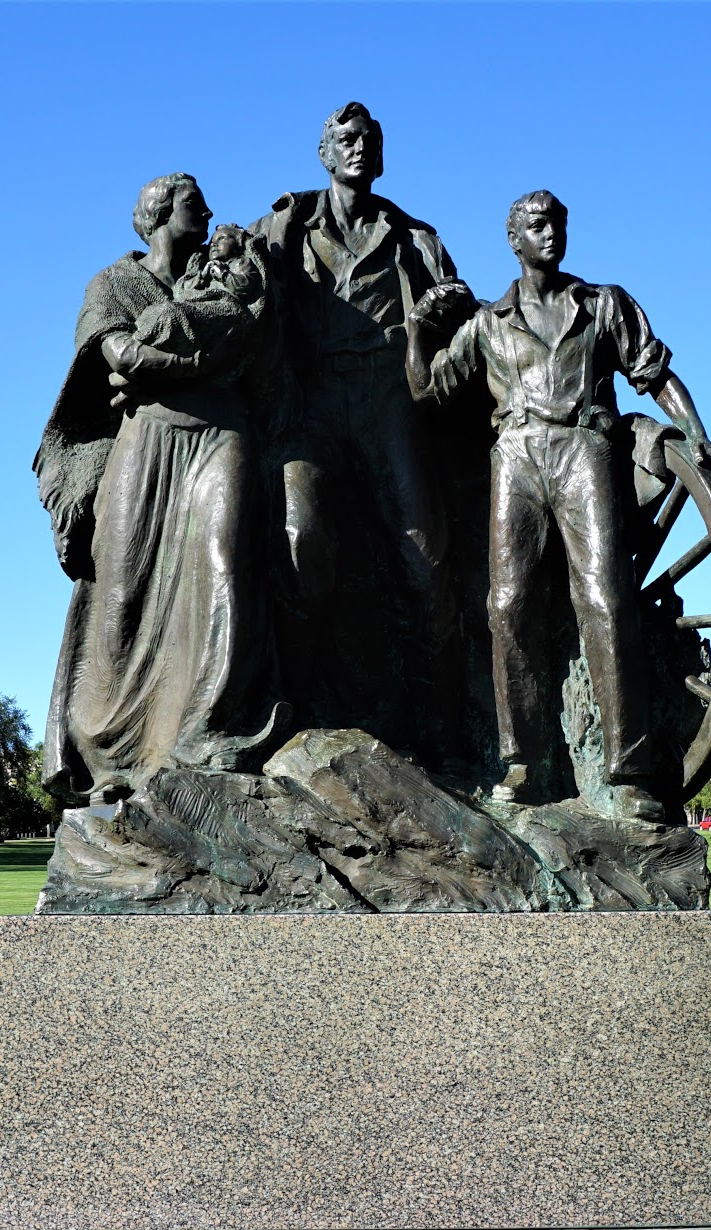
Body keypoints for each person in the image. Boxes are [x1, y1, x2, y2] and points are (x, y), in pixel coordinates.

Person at [407, 190, 711, 818]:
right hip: (516, 455)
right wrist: (416, 329)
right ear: (514, 241)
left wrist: (696, 432)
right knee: (508, 605)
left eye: (557, 223)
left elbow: (654, 373)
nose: (550, 233)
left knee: (606, 598)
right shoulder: (489, 323)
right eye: (536, 225)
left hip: (585, 447)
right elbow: (428, 390)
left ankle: (628, 772)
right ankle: (522, 761)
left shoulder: (603, 304)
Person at [33, 174, 287, 804]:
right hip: (146, 442)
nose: (208, 211)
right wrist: (200, 364)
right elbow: (121, 357)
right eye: (193, 204)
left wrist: (174, 366)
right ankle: (109, 754)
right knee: (120, 593)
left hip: (221, 434)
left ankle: (211, 730)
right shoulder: (113, 284)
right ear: (158, 214)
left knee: (225, 565)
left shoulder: (223, 271)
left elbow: (253, 339)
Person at [251, 103, 463, 763]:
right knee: (301, 540)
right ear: (324, 154)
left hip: (387, 399)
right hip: (313, 405)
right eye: (345, 139)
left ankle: (440, 729)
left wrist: (442, 313)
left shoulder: (414, 240)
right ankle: (300, 712)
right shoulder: (285, 230)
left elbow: (464, 324)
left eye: (369, 138)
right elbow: (238, 292)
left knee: (424, 561)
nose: (359, 147)